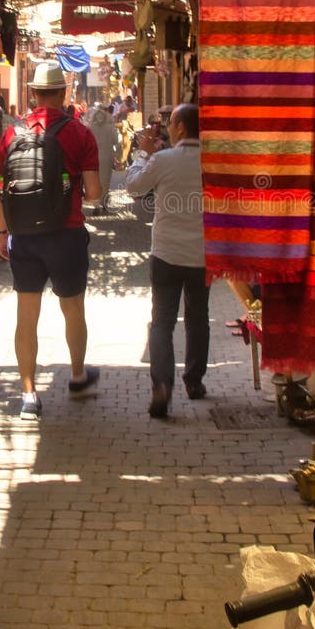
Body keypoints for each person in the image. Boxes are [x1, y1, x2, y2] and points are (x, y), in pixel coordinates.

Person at [0, 60, 103, 420]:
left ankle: (28, 396)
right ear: (63, 93)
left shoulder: (11, 134)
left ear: (34, 93)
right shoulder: (80, 134)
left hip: (24, 237)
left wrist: (1, 233)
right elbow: (95, 193)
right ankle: (76, 375)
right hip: (67, 234)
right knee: (73, 309)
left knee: (26, 317)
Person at [125, 103, 209, 418]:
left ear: (181, 127)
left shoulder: (163, 160)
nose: (168, 128)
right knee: (198, 318)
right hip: (201, 255)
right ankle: (194, 382)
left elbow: (133, 186)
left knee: (162, 322)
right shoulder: (211, 162)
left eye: (171, 123)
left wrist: (143, 153)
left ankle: (162, 385)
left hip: (166, 254)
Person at [82, 103, 119, 213]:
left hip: (93, 158)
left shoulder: (89, 128)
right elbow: (116, 140)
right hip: (107, 157)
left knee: (95, 181)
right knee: (105, 181)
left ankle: (97, 204)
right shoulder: (110, 127)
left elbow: (84, 143)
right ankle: (103, 202)